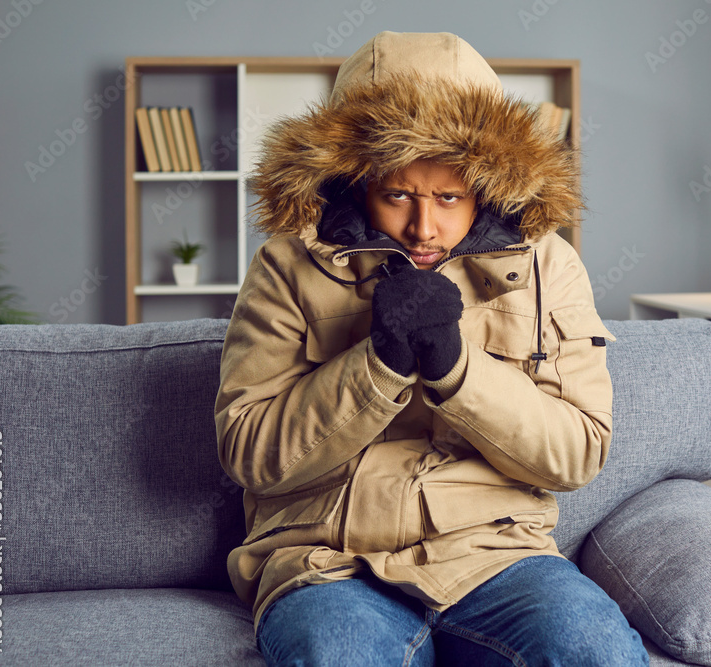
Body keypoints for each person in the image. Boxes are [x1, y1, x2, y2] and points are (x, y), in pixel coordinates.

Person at [215, 31, 649, 666]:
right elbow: (250, 452)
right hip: (328, 559)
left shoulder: (549, 265)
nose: (424, 228)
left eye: (449, 197)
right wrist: (378, 365)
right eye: (397, 195)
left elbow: (578, 453)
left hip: (498, 554)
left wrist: (456, 369)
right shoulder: (285, 265)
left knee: (593, 649)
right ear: (353, 181)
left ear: (488, 185)